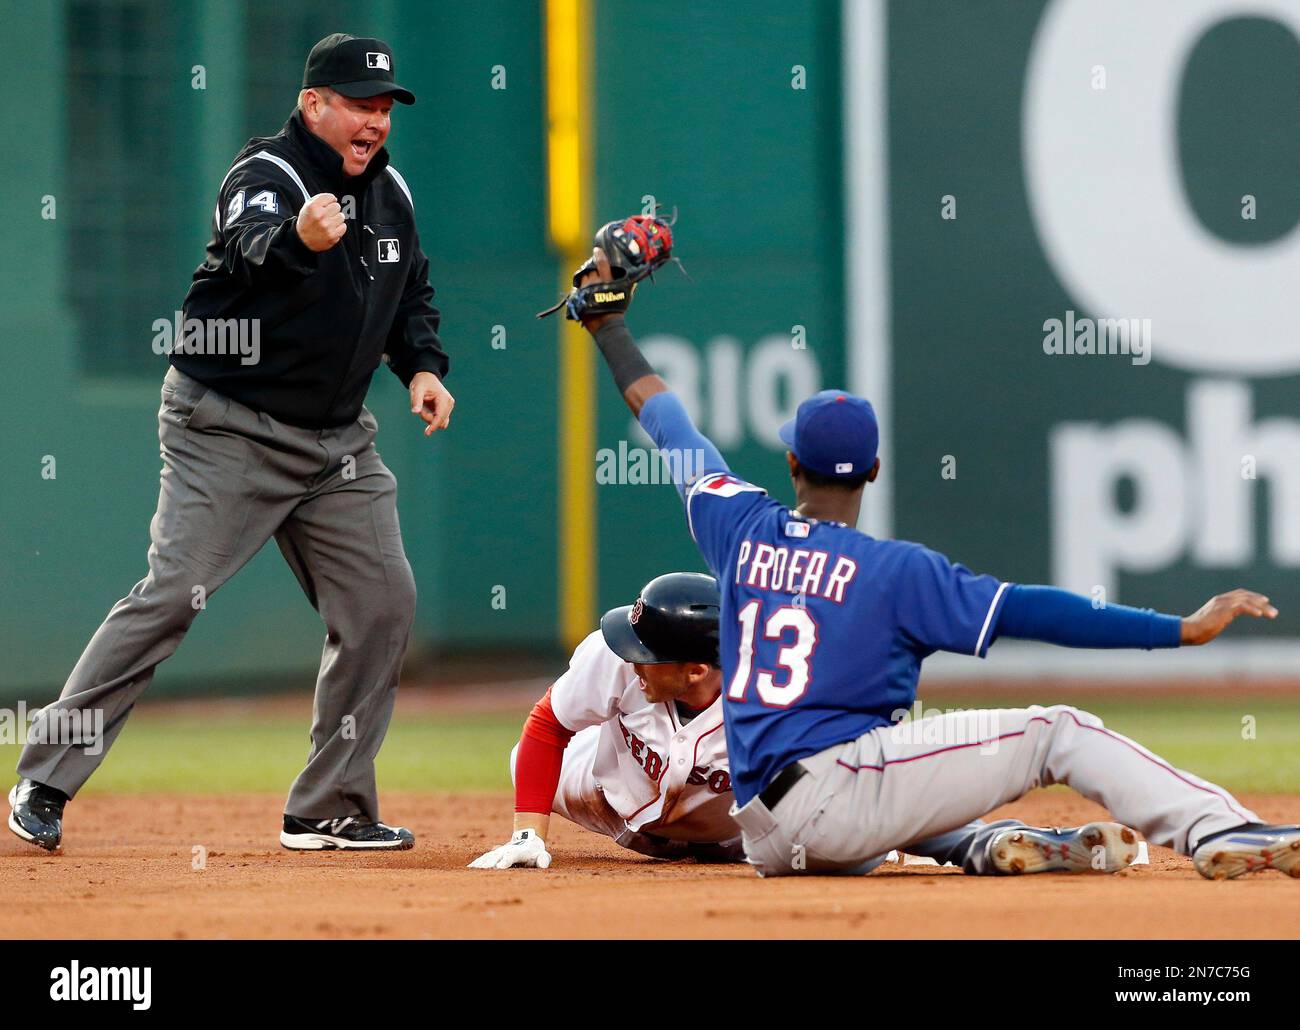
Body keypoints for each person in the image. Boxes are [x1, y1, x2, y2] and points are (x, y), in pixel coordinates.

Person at [565, 245, 1298, 881]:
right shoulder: (898, 573)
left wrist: (609, 326)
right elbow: (1032, 610)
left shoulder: (740, 527)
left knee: (892, 754)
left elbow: (669, 424)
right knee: (1058, 730)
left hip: (762, 830)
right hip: (838, 805)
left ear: (791, 461)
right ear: (874, 470)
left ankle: (981, 847)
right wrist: (1176, 629)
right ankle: (1219, 831)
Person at [8, 33, 453, 854]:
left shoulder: (391, 195)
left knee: (383, 603)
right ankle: (43, 776)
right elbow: (252, 252)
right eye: (359, 103)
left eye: (385, 107)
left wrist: (422, 367)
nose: (375, 121)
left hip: (337, 446)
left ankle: (328, 806)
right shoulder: (265, 177)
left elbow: (408, 292)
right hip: (229, 427)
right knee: (173, 593)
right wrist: (299, 243)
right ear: (312, 104)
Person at [468, 573, 1142, 877]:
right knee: (524, 766)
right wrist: (529, 833)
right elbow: (549, 724)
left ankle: (1004, 846)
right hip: (600, 793)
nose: (632, 660)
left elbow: (858, 783)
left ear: (698, 669)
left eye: (650, 656)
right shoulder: (612, 663)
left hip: (735, 833)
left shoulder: (772, 704)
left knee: (855, 833)